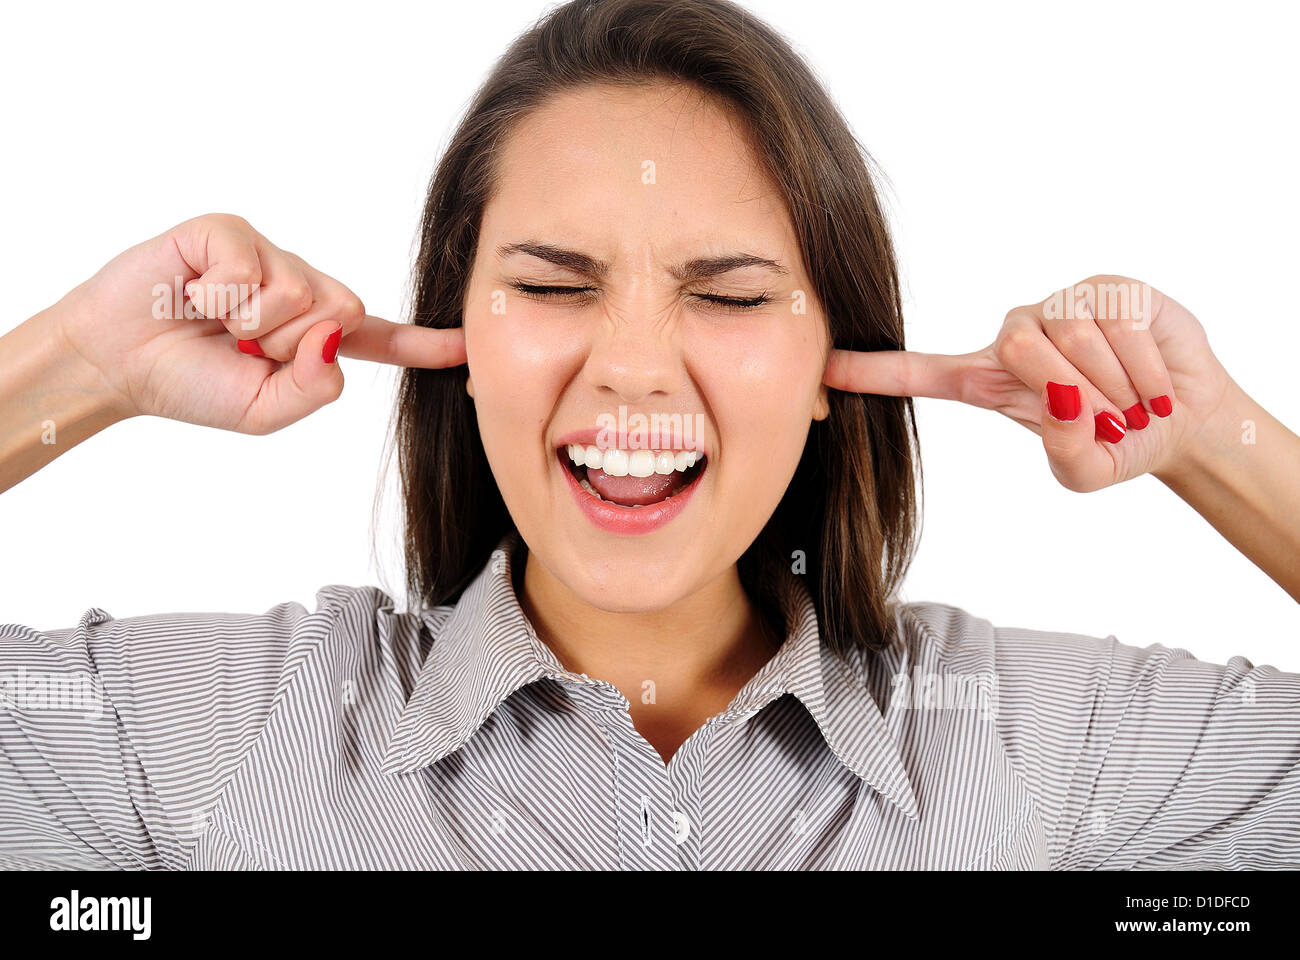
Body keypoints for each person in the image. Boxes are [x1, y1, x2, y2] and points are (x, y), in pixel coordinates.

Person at [1, 0, 1297, 870]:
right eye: (555, 286)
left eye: (729, 296)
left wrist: (1212, 440)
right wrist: (83, 365)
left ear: (830, 365)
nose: (628, 370)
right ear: (457, 338)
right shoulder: (236, 733)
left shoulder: (1026, 742)